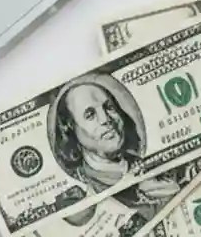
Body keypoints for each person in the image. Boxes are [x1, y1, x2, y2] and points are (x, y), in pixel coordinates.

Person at [52, 78, 177, 223]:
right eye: (90, 115)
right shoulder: (84, 192)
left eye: (109, 107)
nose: (106, 119)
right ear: (69, 127)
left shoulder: (145, 164)